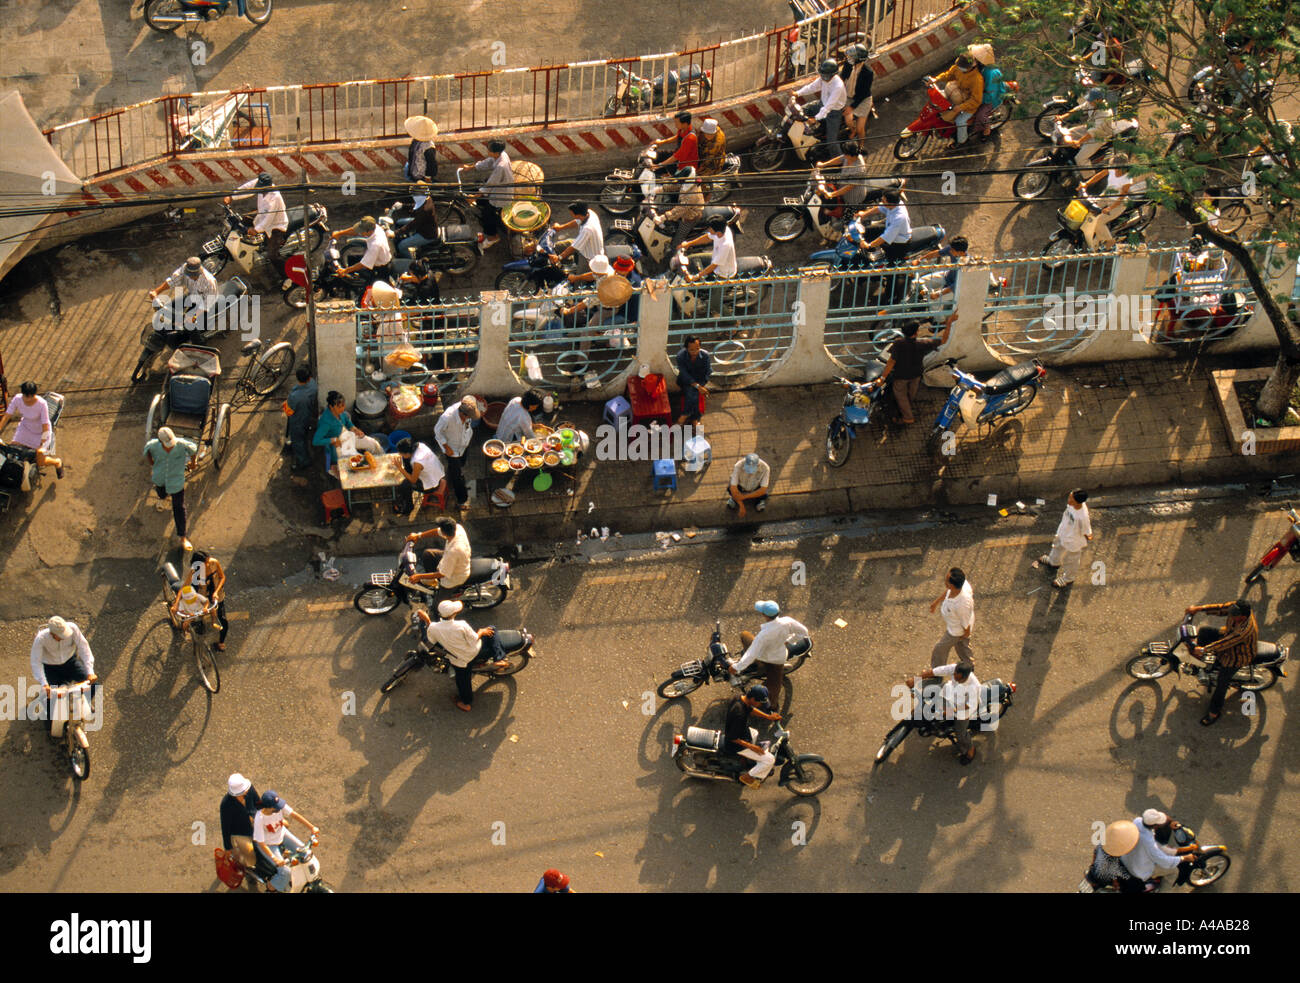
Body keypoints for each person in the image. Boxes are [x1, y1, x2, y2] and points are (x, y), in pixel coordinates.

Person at [416, 600, 510, 712]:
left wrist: (427, 620)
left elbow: (430, 639)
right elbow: (474, 639)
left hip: (460, 661)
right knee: (492, 628)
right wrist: (481, 631)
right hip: (475, 650)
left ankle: (467, 702)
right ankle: (500, 658)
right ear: (454, 614)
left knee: (463, 682)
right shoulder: (461, 625)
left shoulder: (434, 628)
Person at [1185, 599, 1259, 726]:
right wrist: (1198, 609)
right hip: (1227, 635)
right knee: (1204, 632)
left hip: (1237, 655)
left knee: (1222, 683)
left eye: (1234, 616)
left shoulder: (1244, 630)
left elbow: (1226, 643)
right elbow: (1220, 608)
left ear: (1242, 617)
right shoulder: (1237, 608)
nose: (1230, 616)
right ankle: (1197, 663)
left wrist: (1204, 650)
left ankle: (1214, 712)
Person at [874, 320, 952, 424]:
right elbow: (944, 340)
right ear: (916, 332)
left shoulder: (898, 343)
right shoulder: (923, 343)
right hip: (916, 374)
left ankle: (908, 417)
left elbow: (891, 362)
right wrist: (949, 323)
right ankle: (907, 408)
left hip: (901, 376)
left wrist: (882, 378)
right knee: (911, 393)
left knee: (900, 395)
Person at [29, 616, 96, 736]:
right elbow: (36, 662)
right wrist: (45, 684)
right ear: (52, 633)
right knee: (51, 700)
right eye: (60, 635)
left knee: (93, 685)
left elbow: (83, 648)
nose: (64, 636)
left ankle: (84, 703)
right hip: (50, 668)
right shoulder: (41, 639)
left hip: (70, 662)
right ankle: (50, 727)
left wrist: (90, 672)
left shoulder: (73, 629)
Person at [729, 600, 810, 697]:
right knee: (745, 635)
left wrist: (736, 667)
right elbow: (804, 632)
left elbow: (752, 654)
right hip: (778, 655)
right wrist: (790, 640)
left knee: (774, 687)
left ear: (764, 615)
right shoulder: (787, 621)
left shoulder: (763, 635)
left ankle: (773, 706)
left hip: (769, 659)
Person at [906, 660, 981, 763]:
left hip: (963, 708)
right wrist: (915, 679)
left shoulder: (974, 687)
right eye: (954, 675)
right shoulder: (955, 669)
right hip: (949, 692)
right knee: (927, 693)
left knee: (960, 733)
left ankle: (970, 749)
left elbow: (969, 706)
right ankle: (919, 713)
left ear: (965, 677)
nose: (955, 678)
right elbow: (935, 672)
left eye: (958, 679)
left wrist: (951, 711)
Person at [251, 790, 320, 893]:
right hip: (268, 844)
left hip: (282, 834)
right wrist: (275, 859)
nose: (280, 807)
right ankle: (271, 889)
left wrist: (311, 827)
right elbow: (261, 842)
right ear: (269, 808)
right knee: (284, 872)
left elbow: (294, 814)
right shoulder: (259, 818)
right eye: (276, 806)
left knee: (304, 852)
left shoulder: (278, 807)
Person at [144, 426, 199, 553]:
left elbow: (193, 450)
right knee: (161, 492)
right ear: (160, 441)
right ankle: (162, 498)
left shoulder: (182, 444)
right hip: (160, 478)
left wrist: (193, 463)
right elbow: (147, 450)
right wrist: (151, 462)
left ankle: (183, 537)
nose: (170, 445)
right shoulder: (153, 446)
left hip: (176, 481)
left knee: (178, 507)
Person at [1075, 154, 1147, 248]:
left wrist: (1110, 208)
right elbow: (1100, 175)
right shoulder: (1112, 168)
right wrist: (1086, 184)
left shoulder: (1127, 180)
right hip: (1106, 196)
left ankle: (1110, 241)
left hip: (1118, 203)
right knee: (1089, 211)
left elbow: (1121, 197)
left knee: (1099, 222)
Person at [0, 381, 64, 479]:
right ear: (23, 394)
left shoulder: (42, 404)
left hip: (42, 432)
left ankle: (57, 462)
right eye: (26, 396)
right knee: (13, 451)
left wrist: (42, 445)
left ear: (35, 394)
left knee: (40, 461)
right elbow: (7, 416)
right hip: (25, 428)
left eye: (31, 396)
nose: (28, 399)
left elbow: (45, 425)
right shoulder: (17, 399)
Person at [458, 139, 513, 251]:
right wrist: (472, 167)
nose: (487, 151)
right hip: (496, 188)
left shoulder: (501, 166)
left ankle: (493, 237)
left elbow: (489, 186)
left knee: (487, 216)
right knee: (476, 189)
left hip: (501, 195)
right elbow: (488, 162)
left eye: (489, 150)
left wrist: (474, 197)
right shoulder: (501, 155)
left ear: (496, 152)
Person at [146, 256, 220, 338]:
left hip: (207, 305)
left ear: (199, 272)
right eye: (189, 274)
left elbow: (207, 304)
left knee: (190, 324)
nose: (190, 277)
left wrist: (194, 316)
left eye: (193, 275)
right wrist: (156, 292)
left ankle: (199, 343)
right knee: (167, 309)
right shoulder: (185, 268)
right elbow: (173, 281)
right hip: (193, 295)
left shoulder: (209, 282)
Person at [725, 685, 783, 788]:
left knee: (755, 733)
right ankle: (747, 777)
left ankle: (746, 761)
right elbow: (732, 738)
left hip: (742, 733)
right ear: (752, 699)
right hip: (736, 745)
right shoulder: (739, 714)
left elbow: (750, 709)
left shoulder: (740, 698)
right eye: (759, 702)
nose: (760, 705)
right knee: (769, 760)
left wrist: (768, 717)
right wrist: (753, 747)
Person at [224, 173, 288, 262]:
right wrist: (232, 196)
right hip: (262, 215)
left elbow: (268, 219)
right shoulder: (260, 184)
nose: (258, 189)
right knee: (243, 220)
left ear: (267, 187)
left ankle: (285, 273)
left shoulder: (275, 198)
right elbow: (247, 188)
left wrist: (256, 230)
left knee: (272, 256)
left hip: (275, 225)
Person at [312, 391, 385, 469]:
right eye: (340, 406)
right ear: (331, 407)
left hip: (347, 436)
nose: (343, 408)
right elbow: (316, 441)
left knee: (373, 443)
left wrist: (354, 429)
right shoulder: (325, 422)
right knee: (358, 463)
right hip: (338, 445)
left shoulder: (341, 413)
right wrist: (333, 440)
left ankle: (383, 461)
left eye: (343, 405)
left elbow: (347, 422)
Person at [910, 233, 969, 331]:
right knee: (919, 281)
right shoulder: (952, 249)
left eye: (952, 250)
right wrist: (920, 259)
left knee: (934, 300)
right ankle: (924, 302)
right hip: (948, 276)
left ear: (961, 253)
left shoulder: (966, 264)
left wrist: (938, 293)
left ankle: (941, 322)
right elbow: (937, 253)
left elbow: (956, 285)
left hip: (957, 288)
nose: (950, 251)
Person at [433, 395, 482, 510]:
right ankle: (461, 501)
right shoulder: (447, 417)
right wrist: (446, 446)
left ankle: (452, 470)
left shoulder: (468, 407)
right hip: (452, 449)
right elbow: (437, 431)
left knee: (462, 462)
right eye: (467, 417)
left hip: (464, 443)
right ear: (462, 413)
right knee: (458, 477)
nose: (468, 418)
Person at [794, 59, 848, 156]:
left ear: (833, 74)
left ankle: (839, 162)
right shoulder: (823, 78)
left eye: (825, 76)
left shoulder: (838, 86)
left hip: (833, 112)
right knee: (800, 110)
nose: (823, 77)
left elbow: (829, 106)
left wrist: (815, 118)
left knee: (831, 141)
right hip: (821, 104)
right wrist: (797, 93)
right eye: (822, 75)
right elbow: (812, 87)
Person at [1039, 489, 1093, 588]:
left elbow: (1087, 532)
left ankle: (1068, 578)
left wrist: (1088, 536)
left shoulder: (1082, 517)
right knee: (1057, 547)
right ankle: (1054, 562)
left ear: (1078, 502)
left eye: (1071, 499)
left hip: (1073, 541)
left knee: (1071, 560)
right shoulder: (1072, 505)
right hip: (1063, 532)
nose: (1068, 500)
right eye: (1069, 497)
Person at [1134, 809, 1199, 886]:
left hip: (1131, 857)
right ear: (1155, 826)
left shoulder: (1137, 821)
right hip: (1138, 869)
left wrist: (1170, 823)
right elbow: (1166, 861)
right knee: (1174, 871)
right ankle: (1157, 886)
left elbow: (1166, 818)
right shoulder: (1150, 843)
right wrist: (1185, 858)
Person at [406, 516, 472, 589]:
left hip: (454, 578)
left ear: (444, 533)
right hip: (453, 559)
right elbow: (437, 531)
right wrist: (418, 536)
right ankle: (433, 580)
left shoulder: (454, 551)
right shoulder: (457, 528)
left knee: (438, 600)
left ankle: (437, 589)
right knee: (428, 554)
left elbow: (442, 574)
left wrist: (419, 576)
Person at [933, 52, 984, 145]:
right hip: (956, 95)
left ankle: (962, 141)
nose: (960, 68)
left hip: (969, 105)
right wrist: (936, 79)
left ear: (970, 67)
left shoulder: (977, 79)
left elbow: (976, 100)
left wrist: (961, 107)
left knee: (960, 121)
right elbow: (948, 75)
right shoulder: (957, 67)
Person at [930, 567, 974, 667]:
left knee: (939, 649)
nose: (944, 581)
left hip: (956, 632)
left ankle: (936, 673)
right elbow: (948, 592)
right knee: (962, 649)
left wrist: (963, 636)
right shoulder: (960, 586)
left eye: (946, 580)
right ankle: (968, 668)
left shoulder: (962, 604)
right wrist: (936, 602)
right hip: (955, 626)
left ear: (952, 585)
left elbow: (966, 625)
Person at [1086, 820, 1145, 893]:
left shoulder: (1102, 844)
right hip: (1103, 879)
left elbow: (1095, 853)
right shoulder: (1112, 859)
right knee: (1134, 883)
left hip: (1094, 872)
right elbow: (1115, 876)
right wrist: (1116, 885)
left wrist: (1092, 865)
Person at [395, 436, 447, 516]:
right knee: (406, 463)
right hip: (437, 474)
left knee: (404, 485)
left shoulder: (417, 462)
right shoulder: (420, 445)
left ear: (408, 453)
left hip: (432, 485)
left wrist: (400, 468)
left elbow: (413, 480)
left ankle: (409, 507)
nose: (400, 455)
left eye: (401, 454)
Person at [187, 550, 229, 651]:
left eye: (208, 560)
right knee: (200, 620)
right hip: (203, 596)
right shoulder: (195, 573)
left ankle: (221, 641)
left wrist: (216, 592)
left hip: (217, 595)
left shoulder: (214, 562)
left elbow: (222, 577)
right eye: (205, 562)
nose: (208, 563)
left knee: (223, 621)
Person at [657, 167, 706, 250]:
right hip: (682, 206)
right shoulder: (688, 182)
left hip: (689, 216)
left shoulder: (692, 194)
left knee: (676, 242)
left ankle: (672, 255)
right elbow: (677, 186)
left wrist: (664, 217)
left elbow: (680, 209)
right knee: (660, 210)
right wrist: (662, 189)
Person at [220, 773, 261, 871]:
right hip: (240, 833)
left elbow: (259, 804)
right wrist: (228, 848)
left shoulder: (250, 789)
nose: (246, 793)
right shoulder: (226, 805)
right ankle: (243, 864)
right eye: (243, 793)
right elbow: (225, 827)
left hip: (256, 824)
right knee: (251, 857)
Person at [285, 364, 317, 483]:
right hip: (307, 416)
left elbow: (288, 411)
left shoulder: (295, 396)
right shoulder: (313, 385)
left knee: (298, 440)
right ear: (308, 377)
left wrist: (285, 405)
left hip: (297, 420)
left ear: (298, 378)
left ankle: (303, 461)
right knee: (303, 437)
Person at [967, 44, 1007, 140]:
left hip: (992, 98)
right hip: (983, 93)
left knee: (980, 114)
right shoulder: (983, 69)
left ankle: (986, 130)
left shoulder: (990, 74)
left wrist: (977, 98)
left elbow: (990, 94)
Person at [680, 215, 737, 282]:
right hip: (715, 257)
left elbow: (714, 265)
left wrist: (695, 277)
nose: (708, 230)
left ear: (718, 232)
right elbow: (707, 237)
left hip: (723, 274)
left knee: (710, 290)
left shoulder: (725, 245)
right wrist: (689, 244)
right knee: (691, 259)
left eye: (710, 229)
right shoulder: (723, 229)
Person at [863, 188, 912, 263]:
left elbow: (885, 238)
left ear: (891, 203)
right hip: (889, 228)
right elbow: (880, 208)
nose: (881, 202)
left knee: (891, 264)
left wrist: (869, 245)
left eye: (883, 201)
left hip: (898, 243)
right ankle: (868, 251)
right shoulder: (894, 204)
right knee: (867, 231)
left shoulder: (899, 217)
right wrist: (863, 214)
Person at [553, 201, 604, 270]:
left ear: (577, 215)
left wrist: (559, 258)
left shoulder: (587, 229)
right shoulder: (588, 213)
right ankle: (567, 262)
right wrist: (560, 227)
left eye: (571, 213)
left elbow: (574, 247)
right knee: (559, 246)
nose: (570, 214)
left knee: (577, 275)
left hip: (589, 256)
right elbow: (576, 222)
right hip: (584, 244)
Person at [841, 44, 876, 143]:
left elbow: (864, 93)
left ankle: (861, 146)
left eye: (852, 57)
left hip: (863, 99)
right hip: (849, 95)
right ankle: (853, 130)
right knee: (848, 120)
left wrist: (851, 107)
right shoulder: (848, 64)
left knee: (860, 129)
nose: (849, 58)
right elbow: (842, 77)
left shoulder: (868, 73)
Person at [675, 336, 711, 426]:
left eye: (697, 349)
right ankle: (695, 418)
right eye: (691, 350)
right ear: (686, 348)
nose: (694, 352)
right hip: (685, 381)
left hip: (700, 380)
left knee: (692, 392)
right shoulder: (680, 356)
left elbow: (708, 371)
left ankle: (685, 414)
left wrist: (700, 385)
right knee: (692, 391)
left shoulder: (705, 355)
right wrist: (698, 387)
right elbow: (684, 375)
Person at [727, 452, 770, 518]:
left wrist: (743, 497)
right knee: (730, 488)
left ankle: (758, 501)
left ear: (757, 465)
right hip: (741, 486)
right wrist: (742, 506)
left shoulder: (766, 468)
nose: (750, 473)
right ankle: (735, 499)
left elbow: (762, 490)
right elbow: (733, 488)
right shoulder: (738, 466)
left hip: (755, 487)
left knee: (764, 494)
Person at [402, 115, 440, 183]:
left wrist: (427, 178)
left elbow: (431, 164)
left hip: (421, 177)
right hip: (413, 172)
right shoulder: (416, 140)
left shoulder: (429, 147)